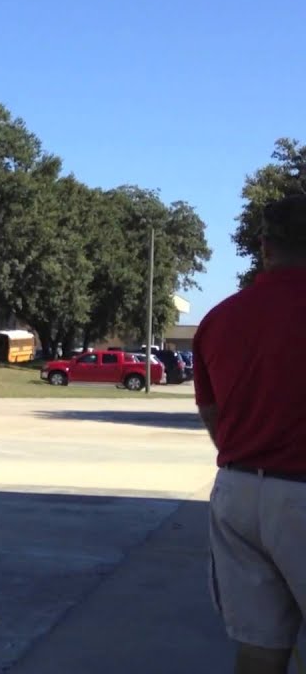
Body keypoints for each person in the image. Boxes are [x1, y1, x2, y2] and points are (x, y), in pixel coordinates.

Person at [194, 195, 306, 674]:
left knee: (260, 646)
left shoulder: (219, 318)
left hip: (239, 490)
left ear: (265, 247)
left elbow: (213, 413)